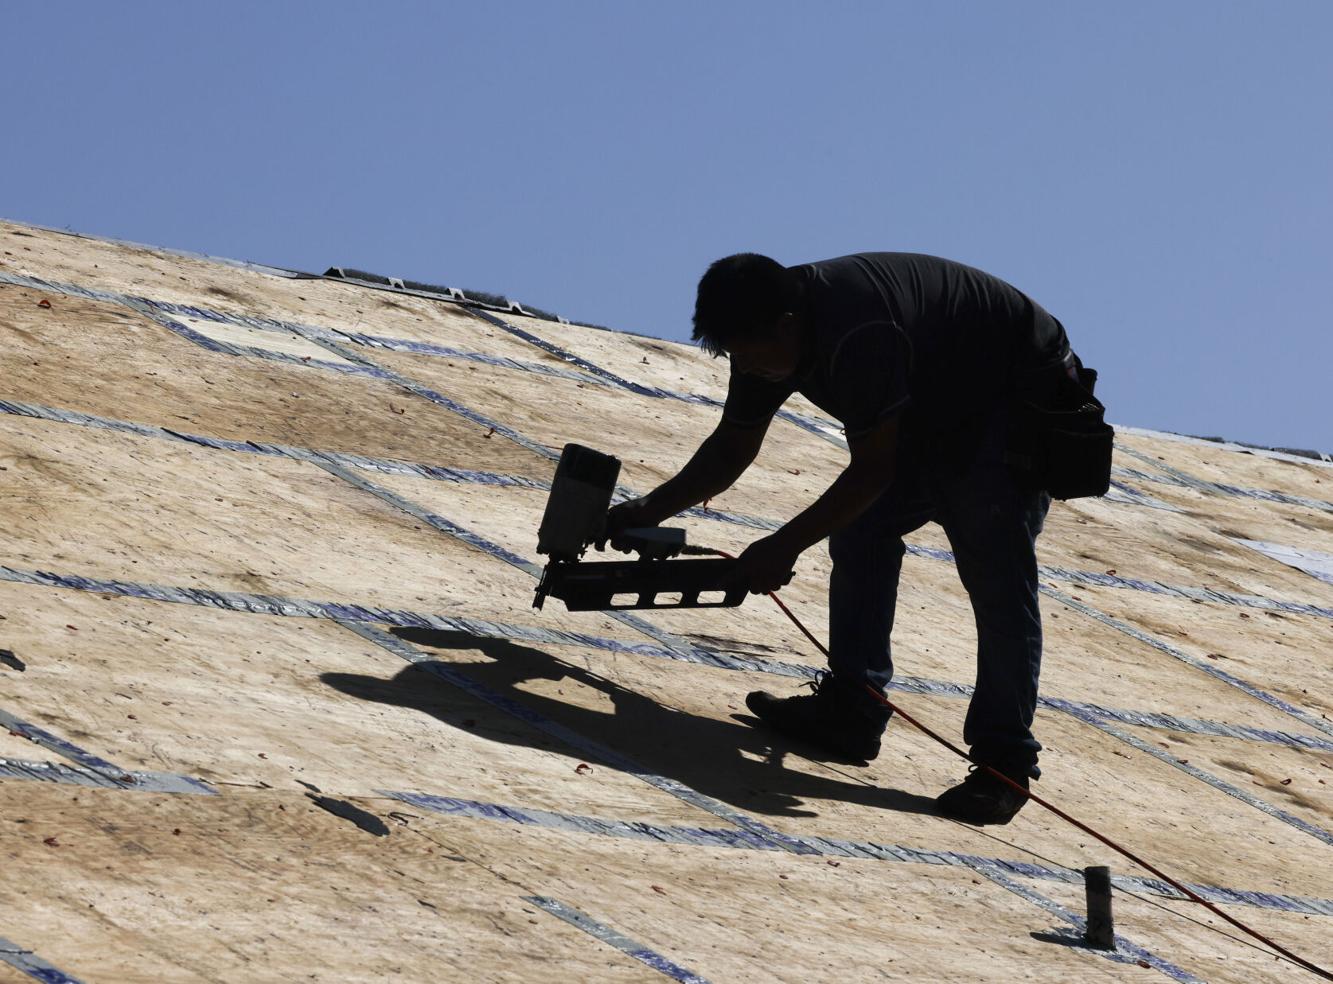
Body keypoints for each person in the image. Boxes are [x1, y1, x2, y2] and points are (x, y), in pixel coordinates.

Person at [602, 252, 1088, 825]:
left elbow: (872, 470)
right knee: (861, 528)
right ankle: (851, 711)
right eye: (736, 357)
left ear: (788, 325)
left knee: (996, 576)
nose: (748, 368)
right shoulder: (763, 339)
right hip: (932, 395)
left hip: (1009, 398)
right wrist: (644, 509)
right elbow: (732, 447)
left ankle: (1004, 764)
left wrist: (782, 546)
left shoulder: (860, 330)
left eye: (753, 355)